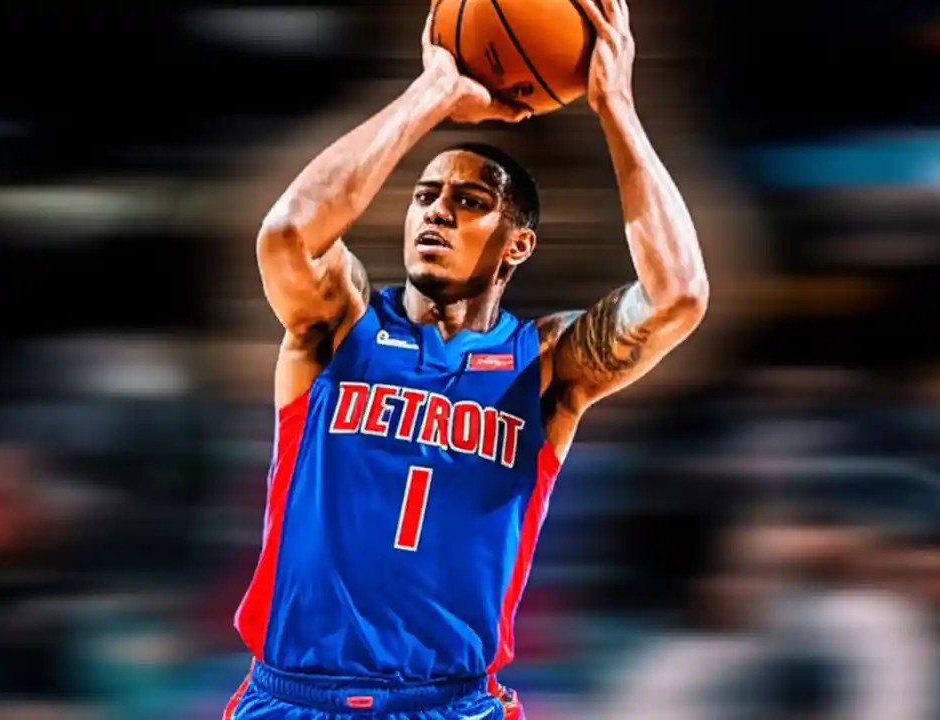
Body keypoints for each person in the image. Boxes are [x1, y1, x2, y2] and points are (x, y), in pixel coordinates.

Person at [227, 1, 708, 718]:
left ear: (517, 245)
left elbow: (679, 296)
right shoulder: (341, 324)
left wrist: (616, 108)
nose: (436, 211)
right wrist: (432, 95)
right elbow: (287, 233)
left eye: (470, 200)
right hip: (295, 695)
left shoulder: (540, 363)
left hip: (452, 703)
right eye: (425, 196)